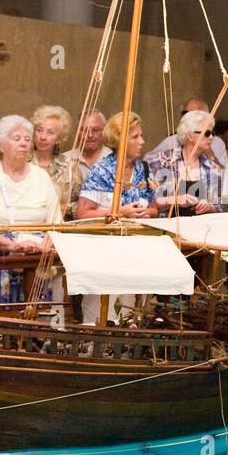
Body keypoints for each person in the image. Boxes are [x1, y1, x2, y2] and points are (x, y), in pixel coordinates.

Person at [76, 113, 158, 322]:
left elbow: (155, 209)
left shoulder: (143, 169)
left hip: (134, 254)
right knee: (100, 311)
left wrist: (143, 212)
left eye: (141, 136)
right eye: (135, 137)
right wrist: (119, 212)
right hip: (103, 254)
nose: (142, 142)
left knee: (128, 310)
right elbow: (83, 214)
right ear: (120, 140)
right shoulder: (101, 171)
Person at [0, 114, 63, 306]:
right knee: (1, 323)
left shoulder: (41, 177)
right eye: (16, 139)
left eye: (26, 139)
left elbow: (56, 223)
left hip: (37, 260)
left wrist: (43, 247)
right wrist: (11, 246)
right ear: (1, 145)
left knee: (37, 321)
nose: (23, 144)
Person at [149, 109, 222, 216]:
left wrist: (209, 207)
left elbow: (219, 208)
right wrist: (175, 200)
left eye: (212, 133)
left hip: (201, 228)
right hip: (168, 227)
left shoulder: (212, 168)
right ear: (189, 136)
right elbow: (150, 202)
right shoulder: (163, 161)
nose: (211, 137)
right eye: (207, 133)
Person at [30, 104, 81, 220]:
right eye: (39, 130)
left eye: (50, 132)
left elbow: (81, 206)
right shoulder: (22, 163)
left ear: (59, 138)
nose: (43, 137)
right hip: (27, 229)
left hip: (60, 231)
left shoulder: (70, 168)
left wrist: (66, 208)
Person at [146, 98, 228, 167]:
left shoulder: (217, 143)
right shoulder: (171, 141)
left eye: (195, 115)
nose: (187, 118)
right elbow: (147, 163)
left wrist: (211, 156)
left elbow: (225, 177)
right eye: (185, 113)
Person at [59, 109, 110, 218]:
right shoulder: (63, 161)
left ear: (105, 130)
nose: (90, 135)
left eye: (95, 130)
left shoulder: (116, 161)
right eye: (84, 130)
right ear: (77, 131)